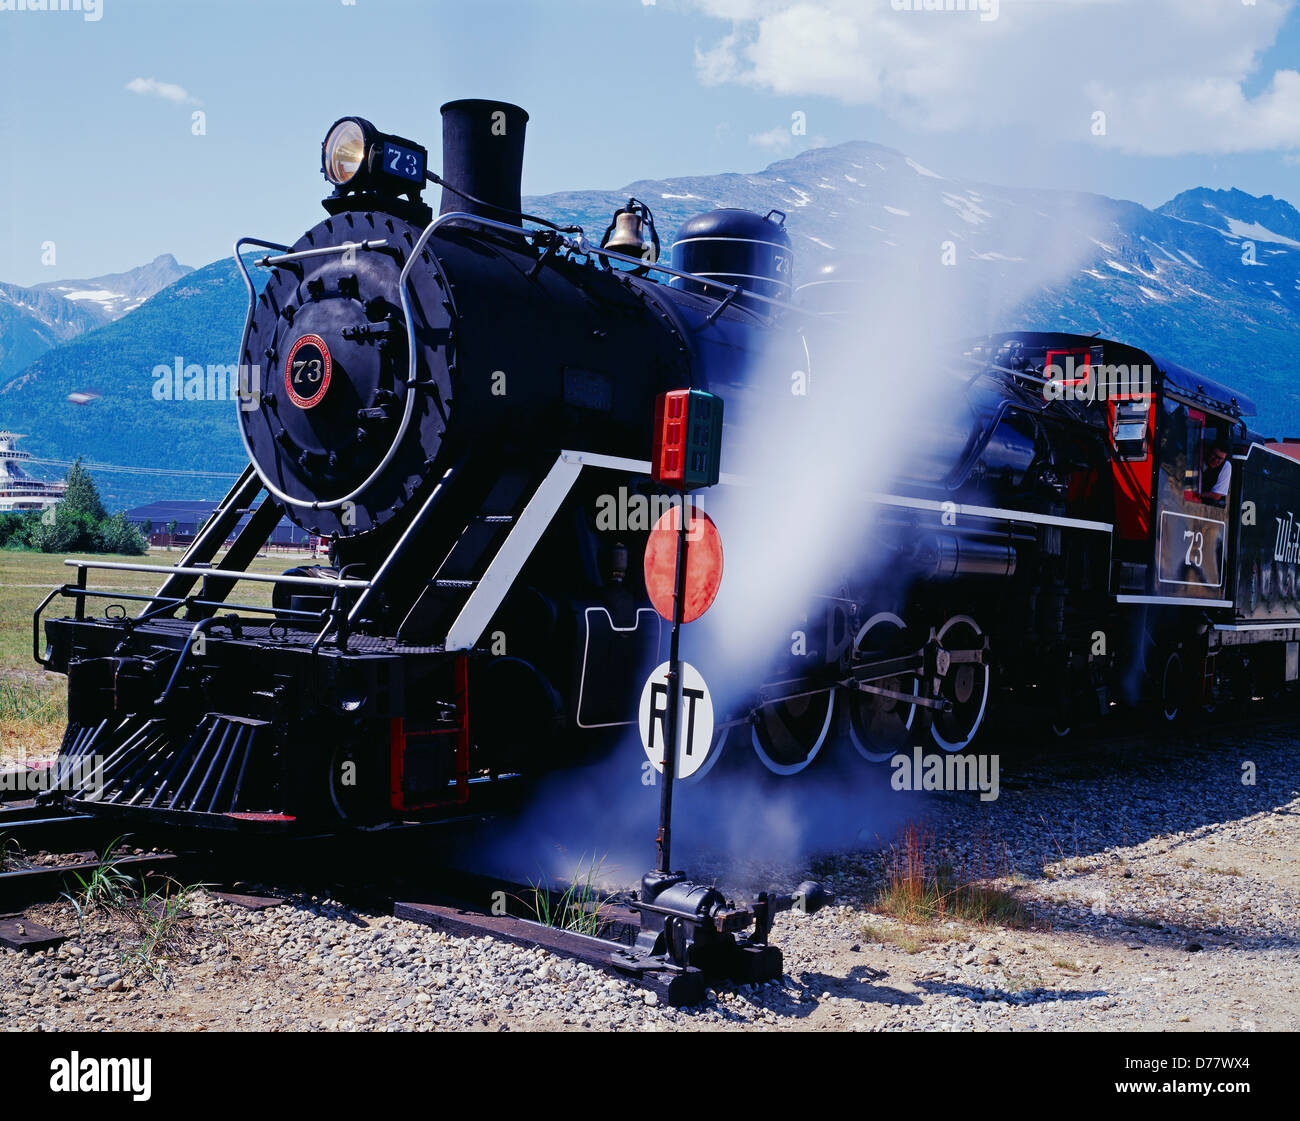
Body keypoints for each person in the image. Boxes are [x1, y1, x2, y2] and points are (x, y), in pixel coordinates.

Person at [1199, 436, 1231, 505]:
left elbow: (1217, 495)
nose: (1215, 460)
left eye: (1220, 458)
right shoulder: (1197, 457)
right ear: (1209, 452)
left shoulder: (1226, 466)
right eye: (1214, 455)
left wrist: (1197, 495)